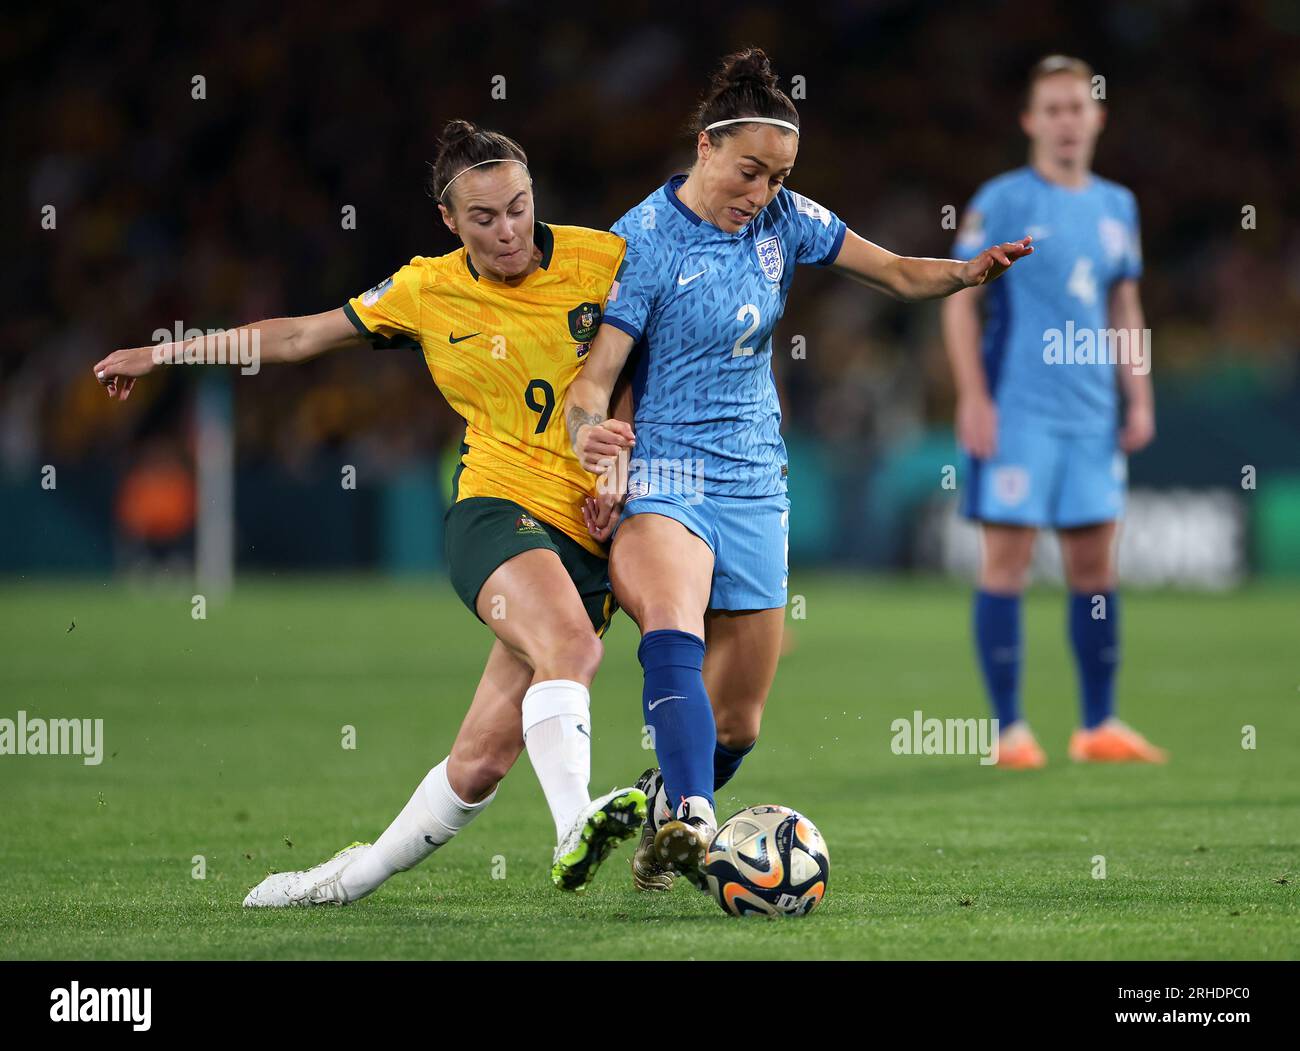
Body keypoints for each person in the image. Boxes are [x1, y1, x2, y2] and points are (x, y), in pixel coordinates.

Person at [92, 121, 646, 905]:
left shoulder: (606, 258)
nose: (509, 229)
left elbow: (649, 368)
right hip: (497, 510)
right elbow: (296, 338)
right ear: (449, 222)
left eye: (519, 207)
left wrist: (623, 464)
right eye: (484, 218)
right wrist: (164, 353)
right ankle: (573, 828)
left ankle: (342, 880)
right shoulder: (426, 288)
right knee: (570, 648)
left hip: (591, 528)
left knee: (481, 760)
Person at [565, 48, 1032, 891]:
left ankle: (657, 807)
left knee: (738, 722)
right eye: (750, 173)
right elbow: (594, 384)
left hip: (754, 481)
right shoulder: (642, 238)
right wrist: (597, 457)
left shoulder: (785, 220)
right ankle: (695, 819)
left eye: (779, 176)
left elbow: (890, 269)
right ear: (705, 148)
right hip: (666, 476)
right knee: (671, 616)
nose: (763, 194)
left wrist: (964, 274)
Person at [941, 55, 1166, 770]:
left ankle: (1098, 723)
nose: (1068, 121)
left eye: (1079, 107)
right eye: (1055, 109)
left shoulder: (1117, 206)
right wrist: (973, 394)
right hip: (1019, 411)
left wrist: (1139, 390)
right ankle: (1010, 730)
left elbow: (1123, 301)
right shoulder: (1002, 200)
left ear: (1097, 116)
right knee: (1006, 562)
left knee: (1095, 566)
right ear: (1031, 121)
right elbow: (959, 298)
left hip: (1092, 412)